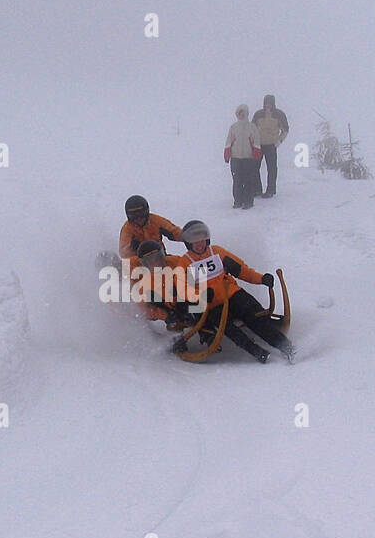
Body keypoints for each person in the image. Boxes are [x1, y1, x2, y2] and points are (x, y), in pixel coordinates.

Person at [175, 219, 295, 363]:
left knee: (254, 314)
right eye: (195, 241)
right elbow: (183, 289)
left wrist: (261, 279)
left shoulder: (217, 252)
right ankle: (256, 351)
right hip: (211, 304)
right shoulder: (185, 263)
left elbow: (241, 270)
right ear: (189, 243)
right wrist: (200, 296)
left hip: (231, 293)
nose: (200, 244)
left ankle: (284, 345)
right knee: (224, 325)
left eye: (202, 240)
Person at [118, 195, 182, 275]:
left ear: (147, 211)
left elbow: (174, 231)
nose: (138, 218)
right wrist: (131, 247)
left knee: (181, 265)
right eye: (134, 215)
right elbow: (123, 252)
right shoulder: (127, 229)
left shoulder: (155, 221)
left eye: (141, 213)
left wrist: (190, 236)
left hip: (161, 259)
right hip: (141, 264)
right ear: (128, 216)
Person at [224, 104, 263, 209]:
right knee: (237, 180)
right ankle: (238, 201)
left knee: (248, 180)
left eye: (243, 113)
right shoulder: (233, 127)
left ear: (247, 114)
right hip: (236, 158)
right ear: (237, 114)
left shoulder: (252, 127)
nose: (242, 115)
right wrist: (227, 155)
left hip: (248, 158)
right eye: (240, 113)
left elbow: (256, 142)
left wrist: (256, 154)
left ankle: (248, 201)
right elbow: (229, 141)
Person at [252, 95, 288, 198]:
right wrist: (253, 142)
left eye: (270, 103)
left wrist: (279, 141)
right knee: (255, 167)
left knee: (271, 168)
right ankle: (257, 189)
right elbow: (252, 128)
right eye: (266, 103)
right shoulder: (258, 114)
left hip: (271, 145)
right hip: (258, 145)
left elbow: (285, 129)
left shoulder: (279, 115)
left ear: (273, 103)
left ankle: (271, 190)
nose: (268, 105)